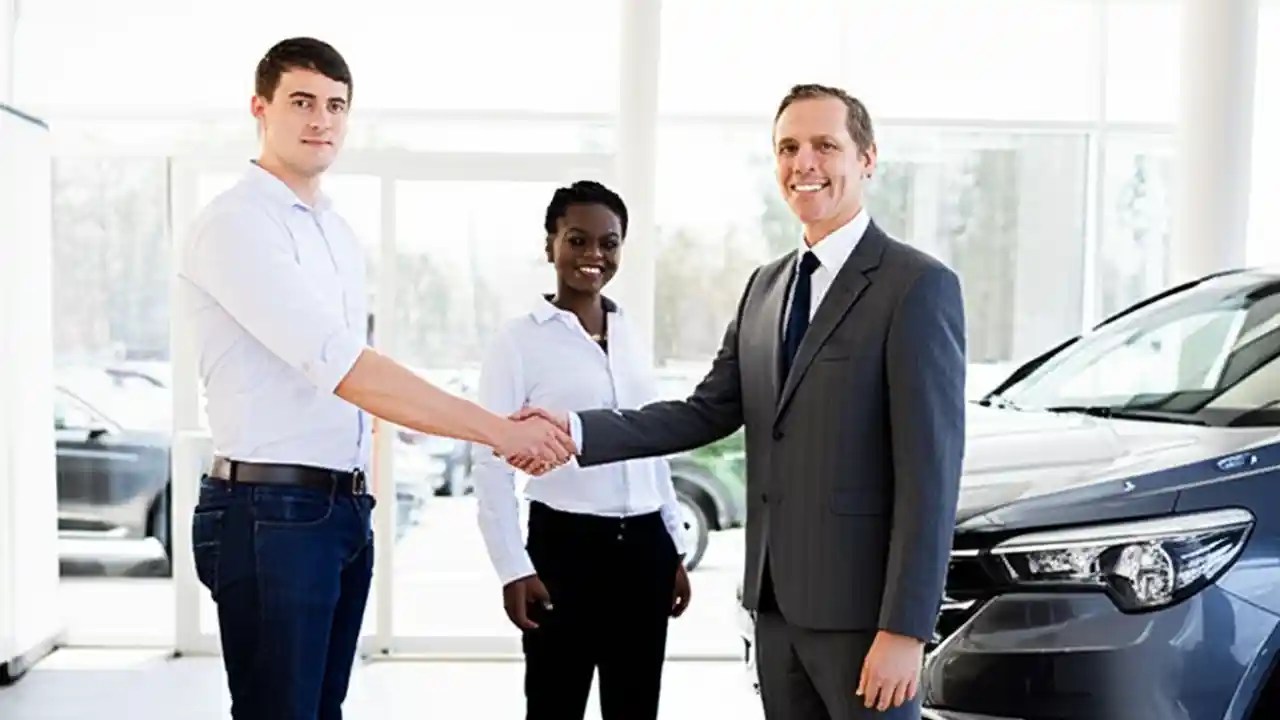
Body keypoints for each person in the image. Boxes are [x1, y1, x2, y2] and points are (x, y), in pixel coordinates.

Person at [515, 84, 966, 719]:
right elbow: (707, 411)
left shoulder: (916, 286)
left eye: (824, 145)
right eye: (788, 147)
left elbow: (931, 475)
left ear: (867, 158)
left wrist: (908, 629)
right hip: (775, 608)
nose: (803, 163)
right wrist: (576, 430)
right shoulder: (767, 286)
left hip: (867, 622)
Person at [176, 37, 573, 720]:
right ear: (260, 109)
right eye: (301, 102)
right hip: (272, 511)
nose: (321, 120)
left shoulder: (335, 233)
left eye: (336, 105)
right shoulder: (237, 225)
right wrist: (501, 431)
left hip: (339, 509)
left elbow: (358, 382)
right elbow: (345, 368)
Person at [472, 180, 693, 720]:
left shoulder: (633, 335)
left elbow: (652, 445)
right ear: (551, 245)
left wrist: (673, 548)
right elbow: (489, 460)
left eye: (609, 243)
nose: (593, 255)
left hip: (644, 549)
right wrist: (511, 567)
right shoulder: (519, 339)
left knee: (636, 706)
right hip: (564, 548)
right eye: (577, 240)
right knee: (553, 704)